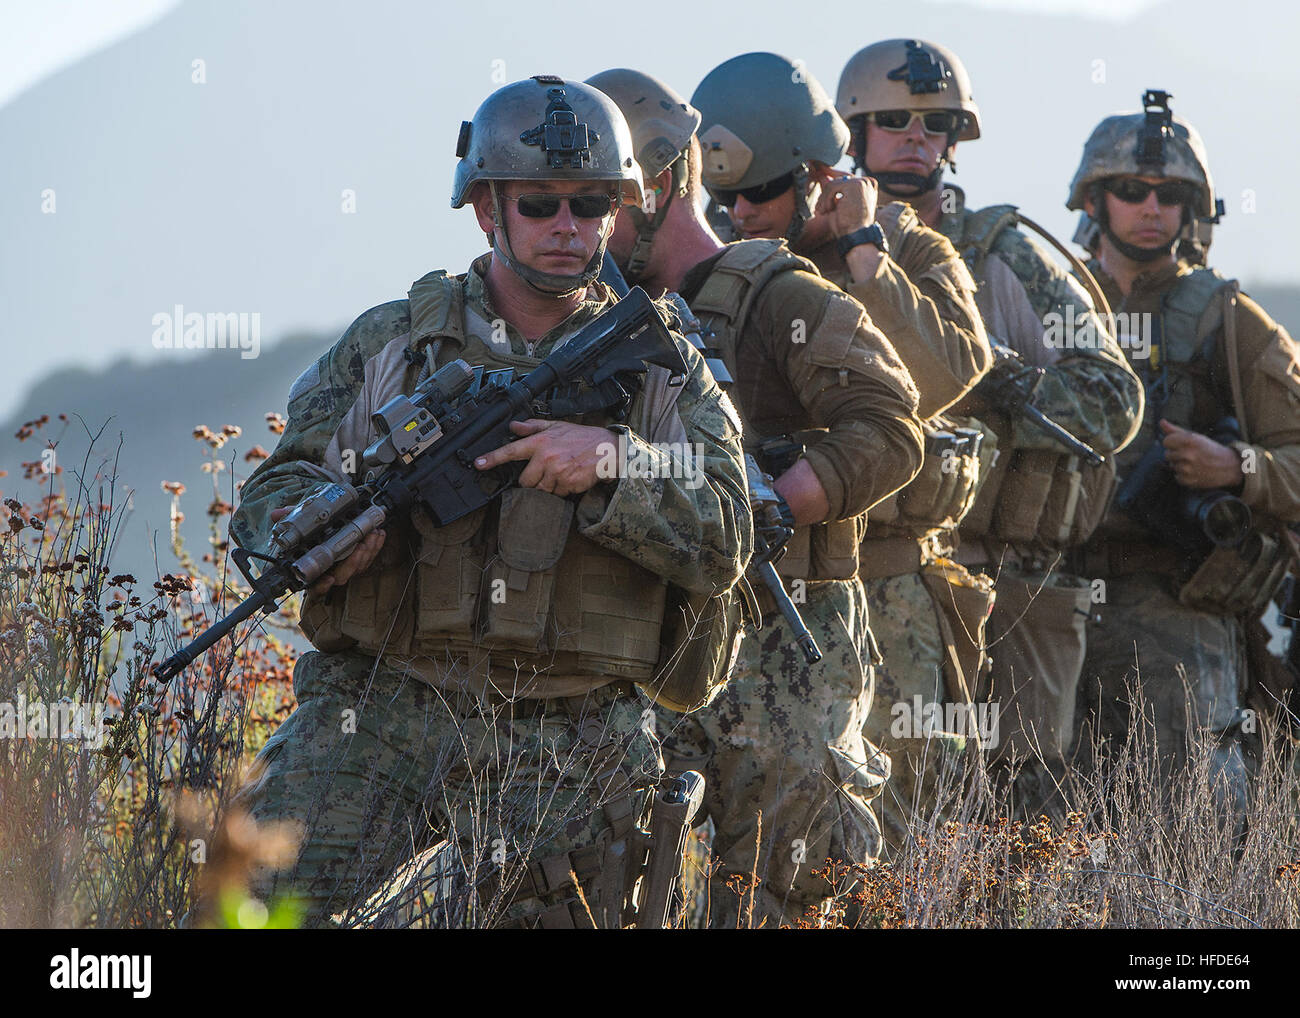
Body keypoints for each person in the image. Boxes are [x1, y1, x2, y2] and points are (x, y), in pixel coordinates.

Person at [225, 75, 752, 928]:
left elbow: (732, 535)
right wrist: (313, 524)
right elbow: (275, 491)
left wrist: (618, 463)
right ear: (486, 211)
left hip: (576, 728)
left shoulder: (663, 366)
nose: (567, 225)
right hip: (386, 705)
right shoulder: (394, 342)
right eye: (540, 202)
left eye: (591, 203)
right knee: (253, 907)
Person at [588, 66, 925, 926]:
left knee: (785, 895)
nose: (584, 224)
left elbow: (890, 426)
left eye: (602, 200)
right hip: (651, 638)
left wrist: (769, 506)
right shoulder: (602, 321)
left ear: (660, 186)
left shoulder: (781, 297)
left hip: (787, 647)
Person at [689, 51, 993, 851]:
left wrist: (862, 249)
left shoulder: (910, 250)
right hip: (770, 585)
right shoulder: (723, 272)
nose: (742, 212)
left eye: (760, 192)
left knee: (905, 832)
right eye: (725, 199)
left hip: (893, 583)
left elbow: (946, 374)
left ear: (818, 174)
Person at [834, 38, 1144, 819]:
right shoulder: (824, 250)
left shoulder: (1006, 257)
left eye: (936, 124)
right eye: (895, 119)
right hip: (861, 572)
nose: (916, 137)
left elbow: (1113, 401)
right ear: (855, 131)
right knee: (861, 810)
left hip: (1006, 581)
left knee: (1016, 821)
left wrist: (1007, 383)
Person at [1067, 89, 1300, 812]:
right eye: (1131, 190)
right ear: (1096, 200)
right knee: (1035, 824)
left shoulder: (1227, 318)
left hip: (1179, 607)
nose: (1150, 206)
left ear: (1192, 210)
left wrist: (1241, 469)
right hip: (1048, 600)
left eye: (1170, 194)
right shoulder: (1052, 303)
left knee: (1191, 820)